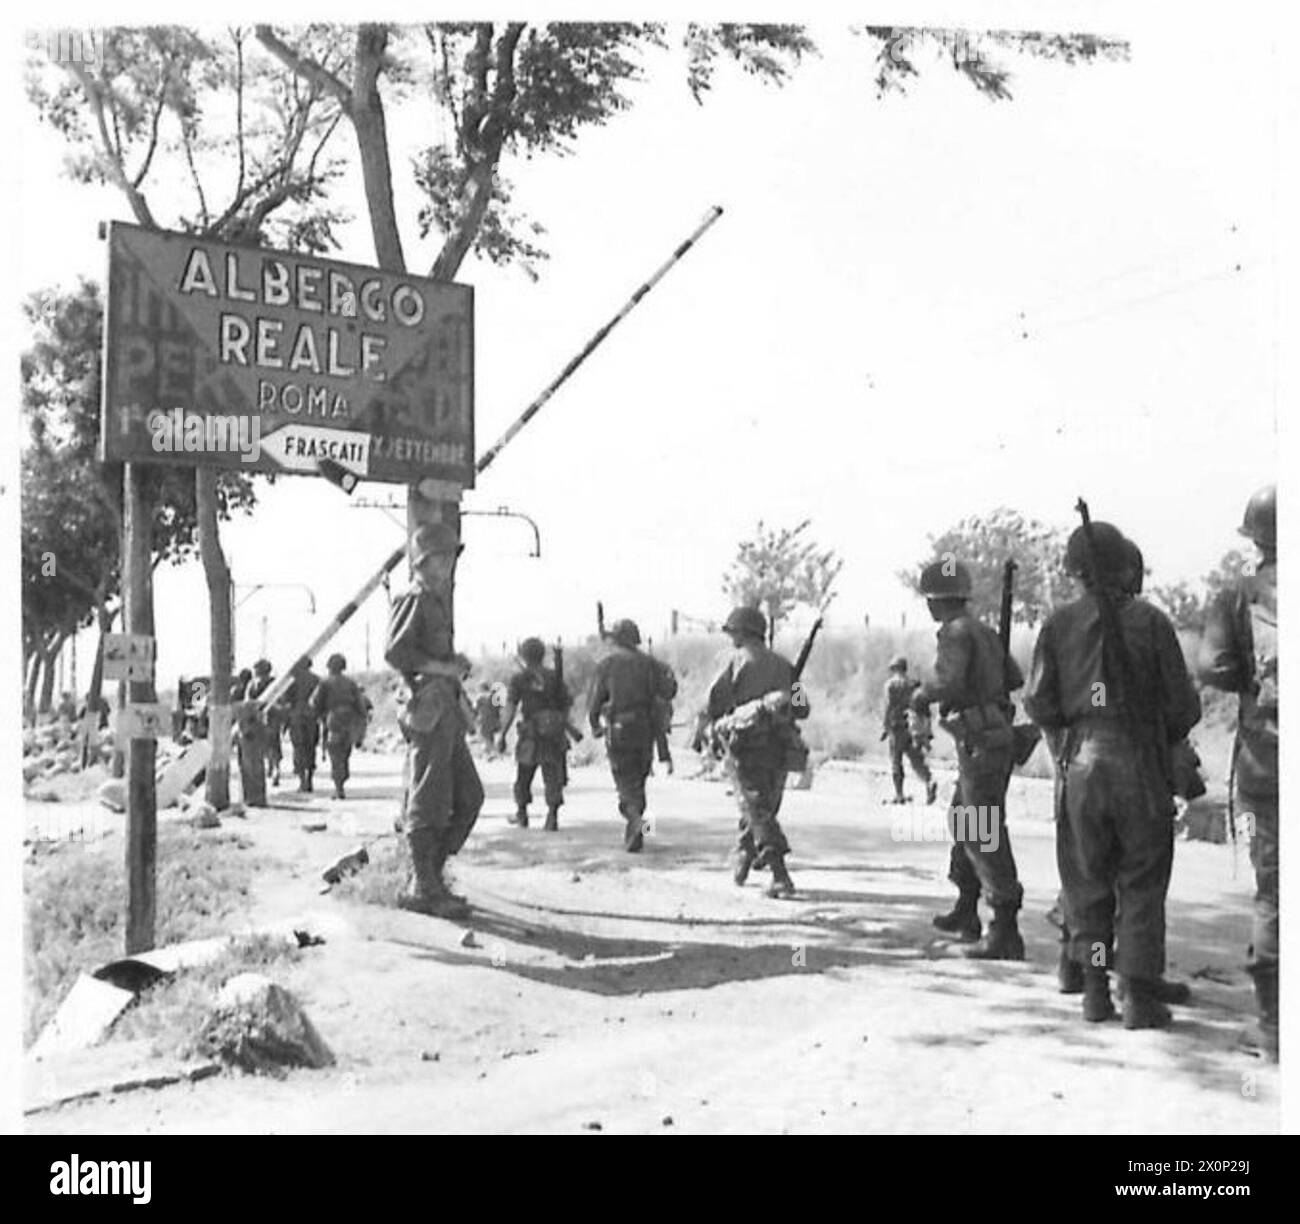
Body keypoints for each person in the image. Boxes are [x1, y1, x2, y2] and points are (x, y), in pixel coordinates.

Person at [1024, 522, 1201, 1028]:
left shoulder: (1057, 625)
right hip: (1141, 766)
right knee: (1142, 884)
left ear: (1072, 571)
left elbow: (1039, 702)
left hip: (1081, 768)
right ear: (1124, 567)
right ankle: (1140, 998)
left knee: (1088, 884)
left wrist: (1071, 735)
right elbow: (1183, 707)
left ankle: (1096, 991)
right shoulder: (1151, 621)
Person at [1199, 484, 1278, 1060]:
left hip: (1267, 761)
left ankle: (1276, 1031)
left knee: (1274, 893)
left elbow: (1216, 668)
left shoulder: (1238, 596)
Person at [913, 560, 1026, 959]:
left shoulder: (955, 632)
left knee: (981, 827)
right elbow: (1014, 678)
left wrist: (921, 694)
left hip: (981, 740)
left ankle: (1005, 926)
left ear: (935, 601)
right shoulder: (984, 632)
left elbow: (949, 682)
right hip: (988, 736)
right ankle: (967, 906)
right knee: (964, 817)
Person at [385, 520, 484, 918]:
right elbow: (396, 653)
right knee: (429, 798)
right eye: (438, 557)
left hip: (444, 708)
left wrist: (452, 666)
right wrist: (443, 669)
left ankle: (431, 876)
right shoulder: (415, 597)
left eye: (449, 558)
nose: (445, 565)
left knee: (469, 797)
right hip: (427, 707)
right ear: (421, 560)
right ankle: (422, 885)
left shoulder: (435, 599)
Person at [705, 605, 807, 898]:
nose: (731, 637)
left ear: (742, 632)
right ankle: (744, 855)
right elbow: (802, 708)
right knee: (762, 806)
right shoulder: (786, 666)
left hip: (746, 747)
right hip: (781, 746)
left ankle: (779, 874)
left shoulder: (735, 662)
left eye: (733, 631)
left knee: (756, 808)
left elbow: (713, 702)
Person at [588, 618, 678, 851]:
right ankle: (639, 828)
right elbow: (669, 691)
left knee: (625, 785)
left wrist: (594, 725)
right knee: (638, 782)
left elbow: (595, 700)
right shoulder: (651, 664)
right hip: (645, 731)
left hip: (619, 731)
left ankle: (637, 824)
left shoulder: (607, 665)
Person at [498, 638, 572, 831]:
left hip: (530, 734)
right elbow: (566, 704)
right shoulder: (554, 676)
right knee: (552, 775)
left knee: (524, 774)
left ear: (523, 655)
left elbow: (511, 707)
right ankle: (552, 816)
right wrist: (556, 724)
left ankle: (522, 813)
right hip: (552, 736)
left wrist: (502, 734)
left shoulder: (519, 679)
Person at [311, 653, 370, 800]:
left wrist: (318, 716)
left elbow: (315, 702)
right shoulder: (351, 683)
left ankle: (339, 787)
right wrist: (361, 723)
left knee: (335, 754)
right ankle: (341, 780)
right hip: (348, 721)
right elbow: (360, 705)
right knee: (344, 753)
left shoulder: (325, 683)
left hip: (333, 721)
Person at [880, 656, 937, 805]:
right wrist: (927, 730)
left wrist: (885, 726)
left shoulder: (890, 685)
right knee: (917, 760)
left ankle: (899, 795)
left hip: (896, 726)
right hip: (913, 728)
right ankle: (929, 782)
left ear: (894, 669)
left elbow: (888, 707)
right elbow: (924, 708)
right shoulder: (914, 684)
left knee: (896, 761)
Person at [278, 659, 321, 792]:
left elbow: (286, 700)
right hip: (312, 717)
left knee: (299, 748)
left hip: (296, 717)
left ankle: (302, 780)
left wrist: (284, 720)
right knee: (311, 748)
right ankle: (310, 779)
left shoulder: (293, 680)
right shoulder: (316, 679)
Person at [248, 659, 283, 788]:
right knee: (274, 745)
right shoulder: (276, 683)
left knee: (261, 747)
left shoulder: (253, 684)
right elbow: (282, 699)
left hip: (258, 719)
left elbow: (248, 702)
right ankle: (275, 768)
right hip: (273, 718)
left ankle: (269, 769)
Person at [475, 682, 502, 756]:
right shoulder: (495, 696)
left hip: (485, 719)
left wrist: (476, 718)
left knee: (485, 736)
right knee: (490, 736)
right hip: (495, 719)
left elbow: (475, 709)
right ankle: (489, 751)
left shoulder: (480, 697)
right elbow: (500, 707)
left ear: (481, 688)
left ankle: (491, 751)